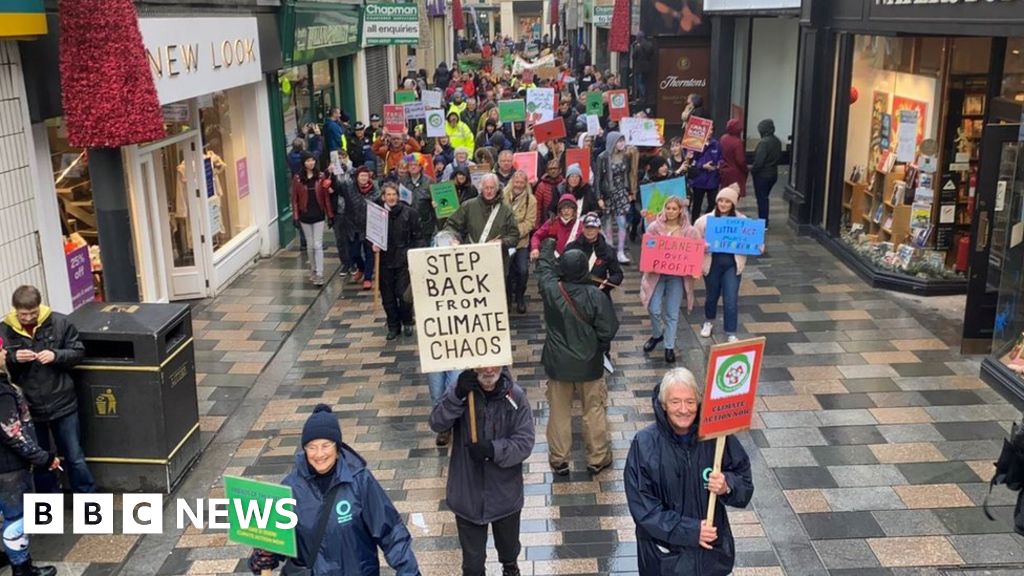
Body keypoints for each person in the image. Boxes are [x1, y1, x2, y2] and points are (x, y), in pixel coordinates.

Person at [248, 405, 419, 575]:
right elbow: (273, 544)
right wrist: (262, 557)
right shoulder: (290, 488)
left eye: (326, 445)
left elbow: (391, 532)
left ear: (337, 448)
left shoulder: (360, 481)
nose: (319, 454)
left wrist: (409, 572)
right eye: (312, 447)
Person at [625, 368, 753, 576]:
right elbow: (643, 508)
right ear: (664, 404)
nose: (684, 409)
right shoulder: (644, 444)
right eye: (675, 402)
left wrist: (727, 485)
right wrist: (691, 531)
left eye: (690, 402)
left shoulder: (716, 437)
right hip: (666, 562)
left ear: (699, 402)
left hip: (711, 559)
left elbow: (744, 483)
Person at [429, 367, 535, 576]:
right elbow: (437, 423)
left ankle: (510, 567)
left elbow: (525, 442)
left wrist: (493, 450)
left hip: (505, 494)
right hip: (467, 494)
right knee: (473, 564)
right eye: (483, 365)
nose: (488, 370)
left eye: (493, 364)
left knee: (509, 549)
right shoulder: (459, 391)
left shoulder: (515, 396)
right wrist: (456, 396)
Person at [535, 237, 619, 476]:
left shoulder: (551, 289)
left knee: (558, 412)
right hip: (589, 363)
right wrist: (598, 346)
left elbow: (544, 269)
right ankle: (597, 457)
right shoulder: (595, 295)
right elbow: (608, 329)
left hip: (558, 363)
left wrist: (548, 246)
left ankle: (559, 459)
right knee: (593, 409)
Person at [2, 285, 92, 495]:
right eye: (23, 315)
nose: (28, 318)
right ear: (15, 310)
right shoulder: (4, 330)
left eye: (32, 313)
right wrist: (14, 359)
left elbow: (78, 352)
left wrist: (56, 355)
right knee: (41, 460)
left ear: (39, 307)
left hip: (62, 401)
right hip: (30, 407)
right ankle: (48, 503)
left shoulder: (60, 323)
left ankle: (87, 499)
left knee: (75, 457)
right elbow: (3, 363)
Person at [0, 342, 60, 576]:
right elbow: (13, 434)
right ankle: (22, 568)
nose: (5, 353)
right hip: (9, 467)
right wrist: (44, 458)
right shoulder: (2, 392)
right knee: (16, 518)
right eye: (0, 350)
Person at [640, 197, 696, 364]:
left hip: (676, 276)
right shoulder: (654, 227)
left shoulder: (690, 231)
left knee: (672, 312)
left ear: (680, 211)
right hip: (656, 274)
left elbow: (697, 249)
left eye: (674, 208)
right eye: (668, 208)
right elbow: (647, 247)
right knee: (654, 308)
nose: (671, 211)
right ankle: (657, 334)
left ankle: (669, 346)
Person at [695, 185, 750, 342]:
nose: (723, 204)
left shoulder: (743, 221)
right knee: (711, 296)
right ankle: (708, 321)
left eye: (727, 201)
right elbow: (694, 241)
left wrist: (758, 246)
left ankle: (731, 332)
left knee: (731, 298)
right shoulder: (704, 221)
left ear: (733, 204)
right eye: (721, 200)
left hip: (732, 265)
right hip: (712, 264)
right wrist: (702, 246)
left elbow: (752, 241)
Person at [375, 183, 421, 341]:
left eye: (394, 194)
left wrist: (413, 255)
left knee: (404, 295)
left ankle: (407, 320)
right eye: (388, 194)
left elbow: (418, 236)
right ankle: (393, 326)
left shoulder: (410, 213)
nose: (391, 197)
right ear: (383, 197)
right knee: (388, 297)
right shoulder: (377, 215)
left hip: (403, 260)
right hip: (384, 261)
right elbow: (370, 235)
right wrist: (372, 245)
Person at [442, 173, 520, 254]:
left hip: (497, 255)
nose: (489, 191)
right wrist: (453, 239)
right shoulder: (468, 205)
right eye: (486, 188)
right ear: (481, 188)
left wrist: (502, 242)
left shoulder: (506, 209)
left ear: (497, 189)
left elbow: (514, 236)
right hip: (472, 255)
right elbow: (451, 225)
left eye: (492, 188)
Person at [594, 131, 638, 264]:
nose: (622, 144)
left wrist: (630, 192)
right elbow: (597, 178)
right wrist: (599, 197)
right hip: (608, 193)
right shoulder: (602, 157)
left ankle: (620, 251)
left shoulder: (625, 156)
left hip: (621, 192)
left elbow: (627, 174)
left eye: (623, 141)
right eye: (619, 141)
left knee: (622, 222)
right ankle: (610, 250)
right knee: (607, 222)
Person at [291, 152, 333, 286]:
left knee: (317, 244)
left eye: (313, 160)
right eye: (308, 160)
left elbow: (326, 197)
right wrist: (295, 216)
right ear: (303, 162)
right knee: (310, 245)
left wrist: (330, 215)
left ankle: (320, 273)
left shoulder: (320, 177)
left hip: (318, 214)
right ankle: (313, 269)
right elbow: (295, 199)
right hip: (305, 215)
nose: (311, 163)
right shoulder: (297, 179)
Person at [334, 167, 380, 290]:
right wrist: (332, 173)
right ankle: (361, 267)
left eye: (366, 176)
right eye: (361, 176)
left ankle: (368, 277)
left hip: (369, 226)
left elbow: (379, 206)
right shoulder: (349, 188)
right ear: (357, 177)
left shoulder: (375, 190)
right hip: (353, 226)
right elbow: (337, 186)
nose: (364, 178)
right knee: (353, 253)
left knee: (369, 253)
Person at [565, 212, 623, 298]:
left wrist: (608, 282)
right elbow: (562, 269)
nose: (590, 231)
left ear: (599, 229)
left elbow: (618, 274)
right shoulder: (572, 247)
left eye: (593, 228)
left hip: (599, 294)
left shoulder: (608, 250)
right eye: (587, 227)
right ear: (583, 228)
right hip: (575, 294)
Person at [504, 171, 536, 314]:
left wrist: (515, 233)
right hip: (505, 241)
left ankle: (520, 296)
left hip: (521, 242)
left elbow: (530, 222)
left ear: (525, 184)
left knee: (523, 271)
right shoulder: (502, 196)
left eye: (521, 182)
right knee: (507, 272)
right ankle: (508, 298)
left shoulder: (531, 200)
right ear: (512, 182)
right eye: (516, 182)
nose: (518, 185)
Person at [751, 118, 782, 227]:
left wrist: (753, 170)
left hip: (762, 175)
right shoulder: (777, 141)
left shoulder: (763, 143)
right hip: (773, 173)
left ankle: (763, 222)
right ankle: (764, 220)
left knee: (762, 199)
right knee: (765, 197)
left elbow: (759, 161)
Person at [530, 194, 581, 259]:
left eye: (569, 208)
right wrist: (535, 248)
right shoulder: (552, 222)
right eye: (563, 208)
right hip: (552, 260)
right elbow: (536, 236)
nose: (566, 211)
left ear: (574, 210)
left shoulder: (580, 225)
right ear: (560, 210)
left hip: (571, 260)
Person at [688, 136, 723, 223]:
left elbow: (721, 157)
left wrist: (719, 164)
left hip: (713, 179)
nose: (709, 132)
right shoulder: (695, 143)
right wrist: (702, 166)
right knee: (697, 205)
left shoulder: (716, 144)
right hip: (699, 180)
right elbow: (691, 161)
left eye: (711, 130)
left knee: (713, 203)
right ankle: (695, 223)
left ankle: (705, 221)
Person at [719, 118, 748, 199]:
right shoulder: (737, 142)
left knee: (725, 195)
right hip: (735, 173)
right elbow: (740, 160)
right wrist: (746, 170)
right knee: (733, 196)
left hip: (724, 170)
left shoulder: (723, 138)